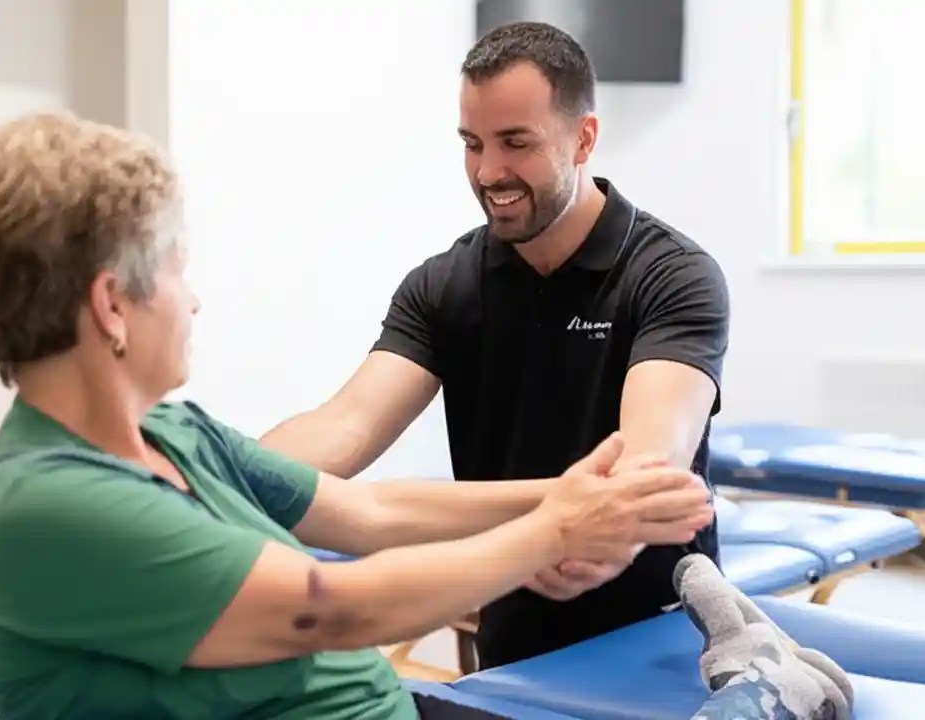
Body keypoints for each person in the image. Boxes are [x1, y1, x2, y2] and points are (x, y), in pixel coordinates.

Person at [0, 111, 852, 720]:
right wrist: (556, 529)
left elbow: (365, 513)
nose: (194, 300)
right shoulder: (45, 507)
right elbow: (332, 607)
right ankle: (760, 694)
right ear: (112, 306)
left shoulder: (175, 433)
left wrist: (569, 494)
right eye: (177, 273)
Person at [260, 20, 731, 669]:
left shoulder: (669, 275)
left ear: (584, 137)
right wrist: (212, 470)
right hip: (514, 633)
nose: (488, 171)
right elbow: (342, 426)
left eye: (516, 143)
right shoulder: (444, 287)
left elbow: (650, 461)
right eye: (472, 144)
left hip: (661, 642)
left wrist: (593, 538)